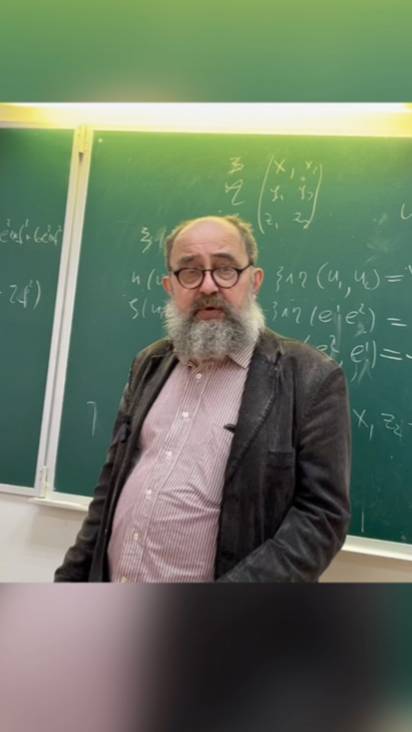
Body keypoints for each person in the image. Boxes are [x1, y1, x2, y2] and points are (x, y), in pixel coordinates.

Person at [55, 214, 351, 582]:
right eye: (190, 271)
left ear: (254, 280)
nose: (208, 285)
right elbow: (110, 484)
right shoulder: (150, 363)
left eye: (226, 269)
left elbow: (321, 517)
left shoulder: (310, 378)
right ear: (170, 285)